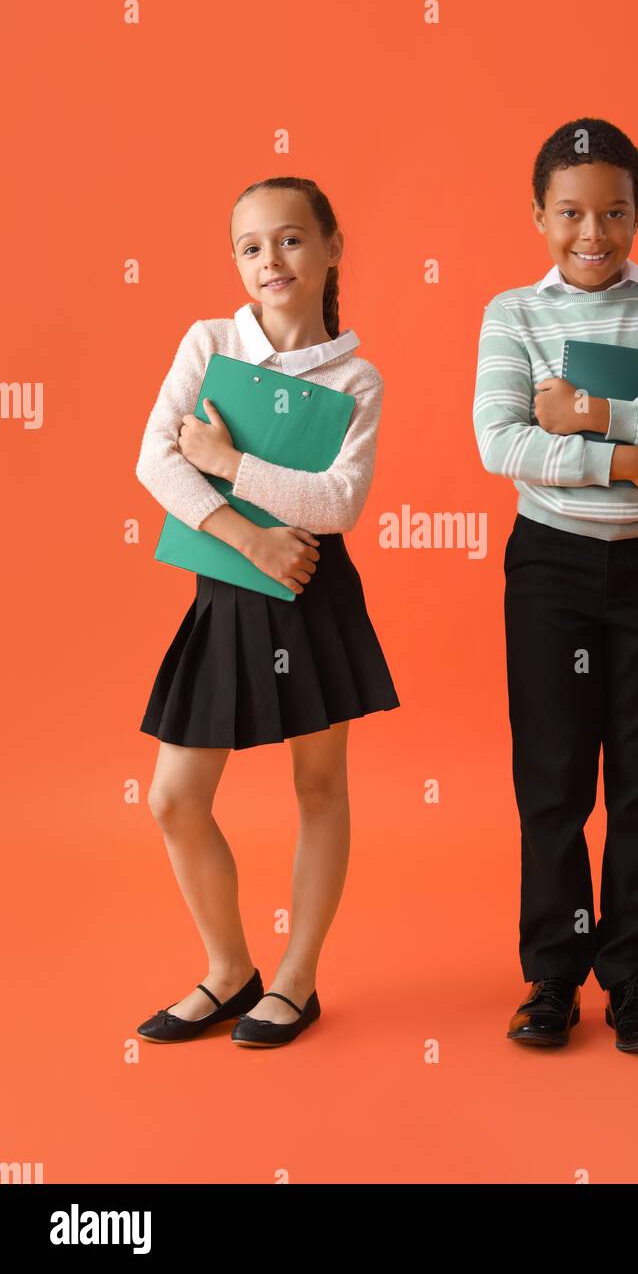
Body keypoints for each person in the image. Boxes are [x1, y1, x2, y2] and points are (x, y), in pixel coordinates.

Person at [473, 118, 638, 1053]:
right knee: (551, 778)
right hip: (552, 567)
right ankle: (552, 974)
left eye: (614, 212)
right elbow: (502, 443)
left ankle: (632, 978)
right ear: (538, 214)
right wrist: (636, 456)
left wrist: (591, 415)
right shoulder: (514, 314)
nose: (593, 233)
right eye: (571, 212)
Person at [134, 176, 399, 1049]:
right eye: (250, 247)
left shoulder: (356, 376)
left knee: (318, 787)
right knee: (175, 798)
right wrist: (251, 539)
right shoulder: (208, 343)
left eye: (290, 240)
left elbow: (337, 503)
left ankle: (295, 980)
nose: (269, 260)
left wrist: (229, 461)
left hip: (312, 591)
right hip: (231, 587)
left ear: (331, 248)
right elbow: (155, 465)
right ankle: (228, 971)